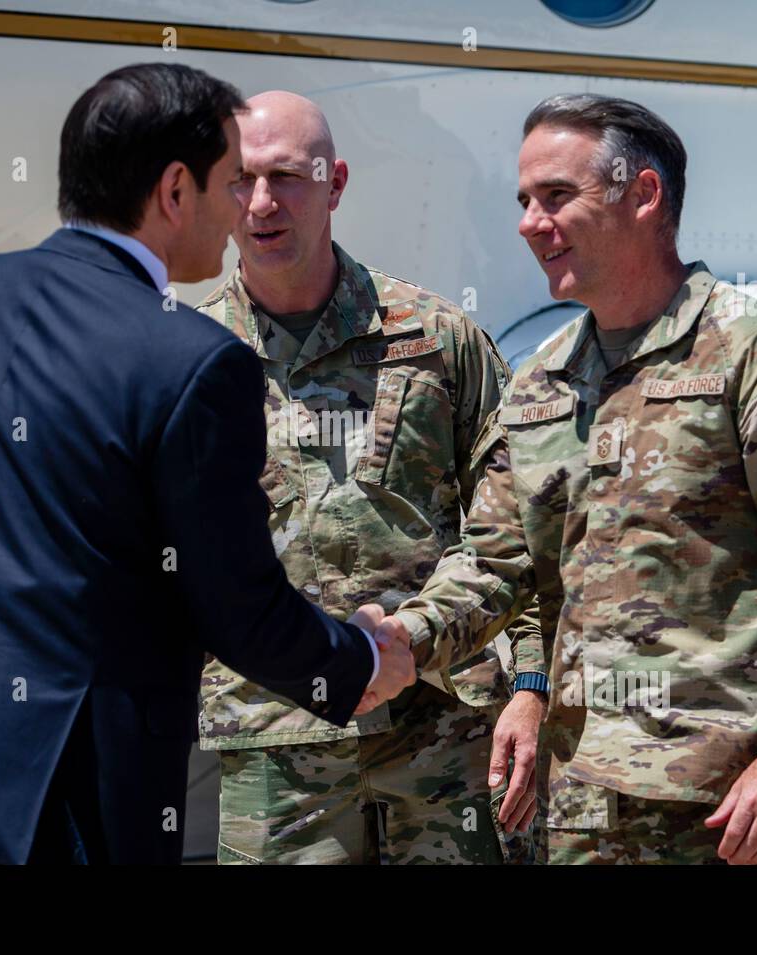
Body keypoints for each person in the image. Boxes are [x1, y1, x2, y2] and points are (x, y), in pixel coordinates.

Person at [0, 63, 415, 866]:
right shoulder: (196, 359)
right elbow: (238, 608)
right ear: (175, 191)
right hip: (78, 790)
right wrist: (362, 659)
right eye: (230, 182)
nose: (243, 206)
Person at [377, 93, 757, 865]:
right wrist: (404, 641)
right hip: (575, 805)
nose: (528, 223)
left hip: (721, 811)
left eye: (556, 196)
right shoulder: (539, 385)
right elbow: (494, 566)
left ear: (643, 195)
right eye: (523, 201)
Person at [198, 91, 531, 864]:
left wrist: (533, 685)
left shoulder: (437, 341)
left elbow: (519, 526)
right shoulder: (189, 360)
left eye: (286, 176)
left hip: (442, 725)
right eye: (242, 180)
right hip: (277, 735)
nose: (261, 202)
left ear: (335, 183)